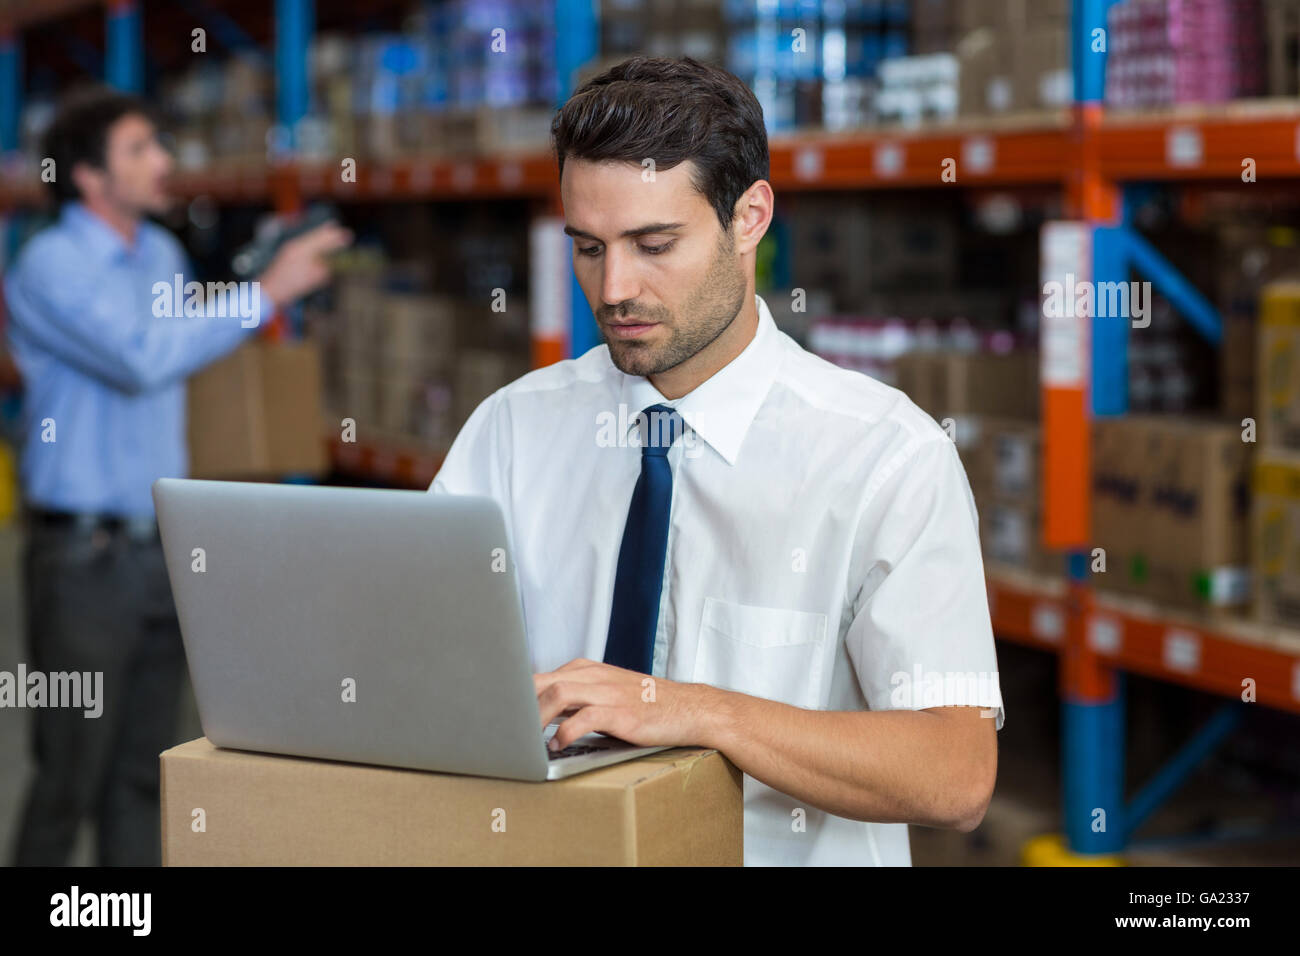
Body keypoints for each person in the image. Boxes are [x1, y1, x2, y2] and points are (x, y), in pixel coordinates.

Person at [431, 56, 1004, 866]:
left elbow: (956, 775)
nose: (615, 288)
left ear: (749, 217)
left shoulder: (885, 457)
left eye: (653, 243)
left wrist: (696, 712)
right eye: (588, 248)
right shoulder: (513, 431)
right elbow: (424, 670)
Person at [3, 86, 351, 865]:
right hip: (83, 561)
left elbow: (185, 337)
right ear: (90, 177)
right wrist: (265, 293)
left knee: (146, 772)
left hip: (161, 549)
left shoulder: (158, 254)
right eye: (140, 149)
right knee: (70, 774)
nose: (164, 161)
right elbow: (142, 357)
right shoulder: (50, 264)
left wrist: (252, 274)